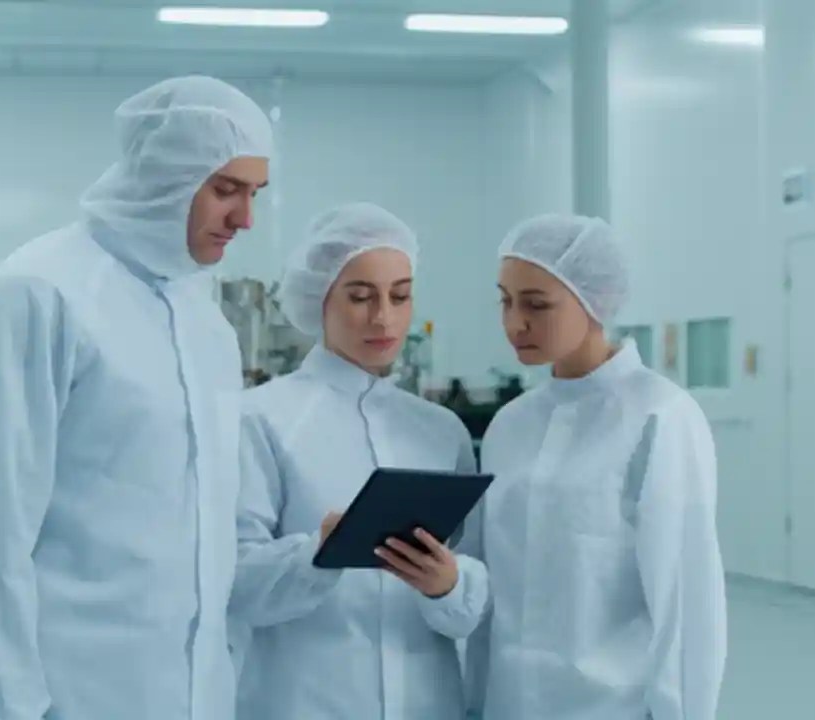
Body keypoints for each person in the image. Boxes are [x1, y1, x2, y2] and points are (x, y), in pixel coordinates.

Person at [0, 76, 272, 720]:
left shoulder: (206, 320)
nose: (245, 219)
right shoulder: (39, 294)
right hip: (75, 694)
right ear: (164, 177)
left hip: (199, 694)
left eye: (254, 193)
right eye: (226, 190)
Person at [229, 202, 488, 719]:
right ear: (319, 298)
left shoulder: (440, 431)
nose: (383, 317)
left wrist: (450, 584)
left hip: (427, 703)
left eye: (400, 295)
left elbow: (477, 595)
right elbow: (234, 582)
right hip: (306, 702)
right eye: (360, 296)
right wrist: (316, 556)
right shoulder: (261, 419)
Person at [479, 214, 727, 719]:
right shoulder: (510, 426)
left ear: (595, 300)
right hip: (508, 704)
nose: (514, 322)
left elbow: (685, 604)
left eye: (537, 304)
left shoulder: (659, 416)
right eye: (505, 301)